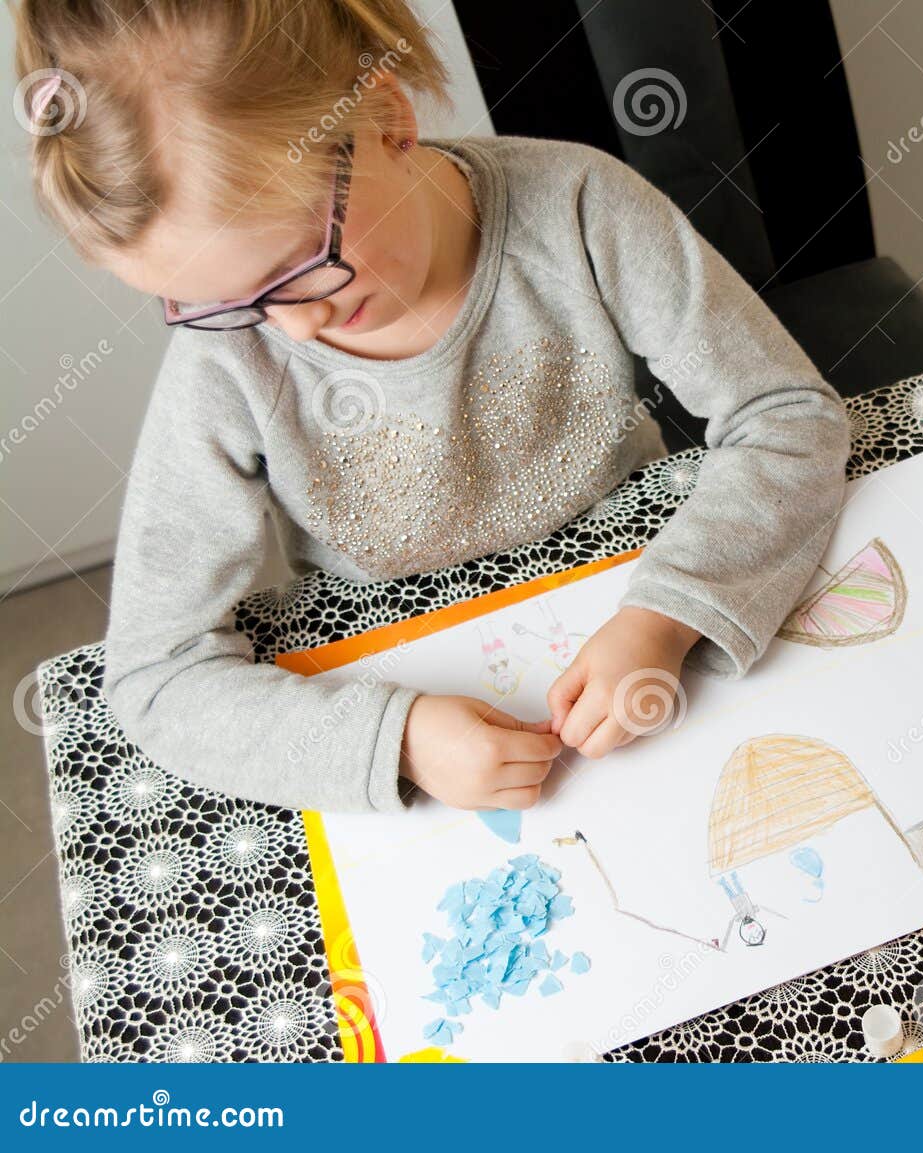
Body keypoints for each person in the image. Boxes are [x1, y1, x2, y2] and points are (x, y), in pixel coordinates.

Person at [15, 0, 848, 814]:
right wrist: (397, 741)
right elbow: (155, 676)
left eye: (300, 264)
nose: (292, 324)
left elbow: (786, 416)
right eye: (222, 302)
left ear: (385, 116)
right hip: (404, 683)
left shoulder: (581, 207)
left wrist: (669, 614)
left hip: (646, 599)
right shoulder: (225, 363)